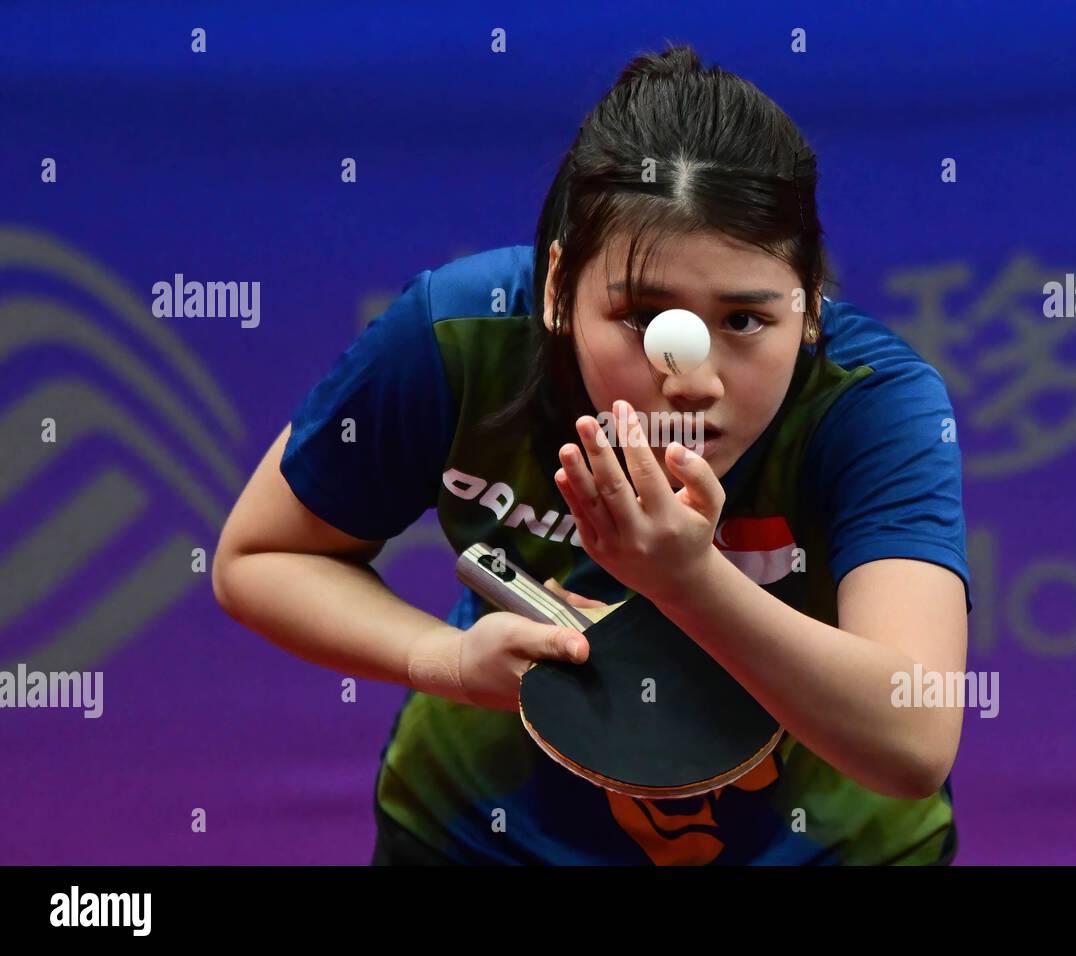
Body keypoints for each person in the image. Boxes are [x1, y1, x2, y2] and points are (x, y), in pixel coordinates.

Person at [213, 43, 971, 865]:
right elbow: (261, 555)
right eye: (643, 318)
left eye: (747, 322)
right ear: (556, 288)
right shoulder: (459, 338)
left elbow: (914, 737)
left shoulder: (873, 406)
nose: (694, 381)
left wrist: (688, 581)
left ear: (811, 311)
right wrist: (448, 659)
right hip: (481, 839)